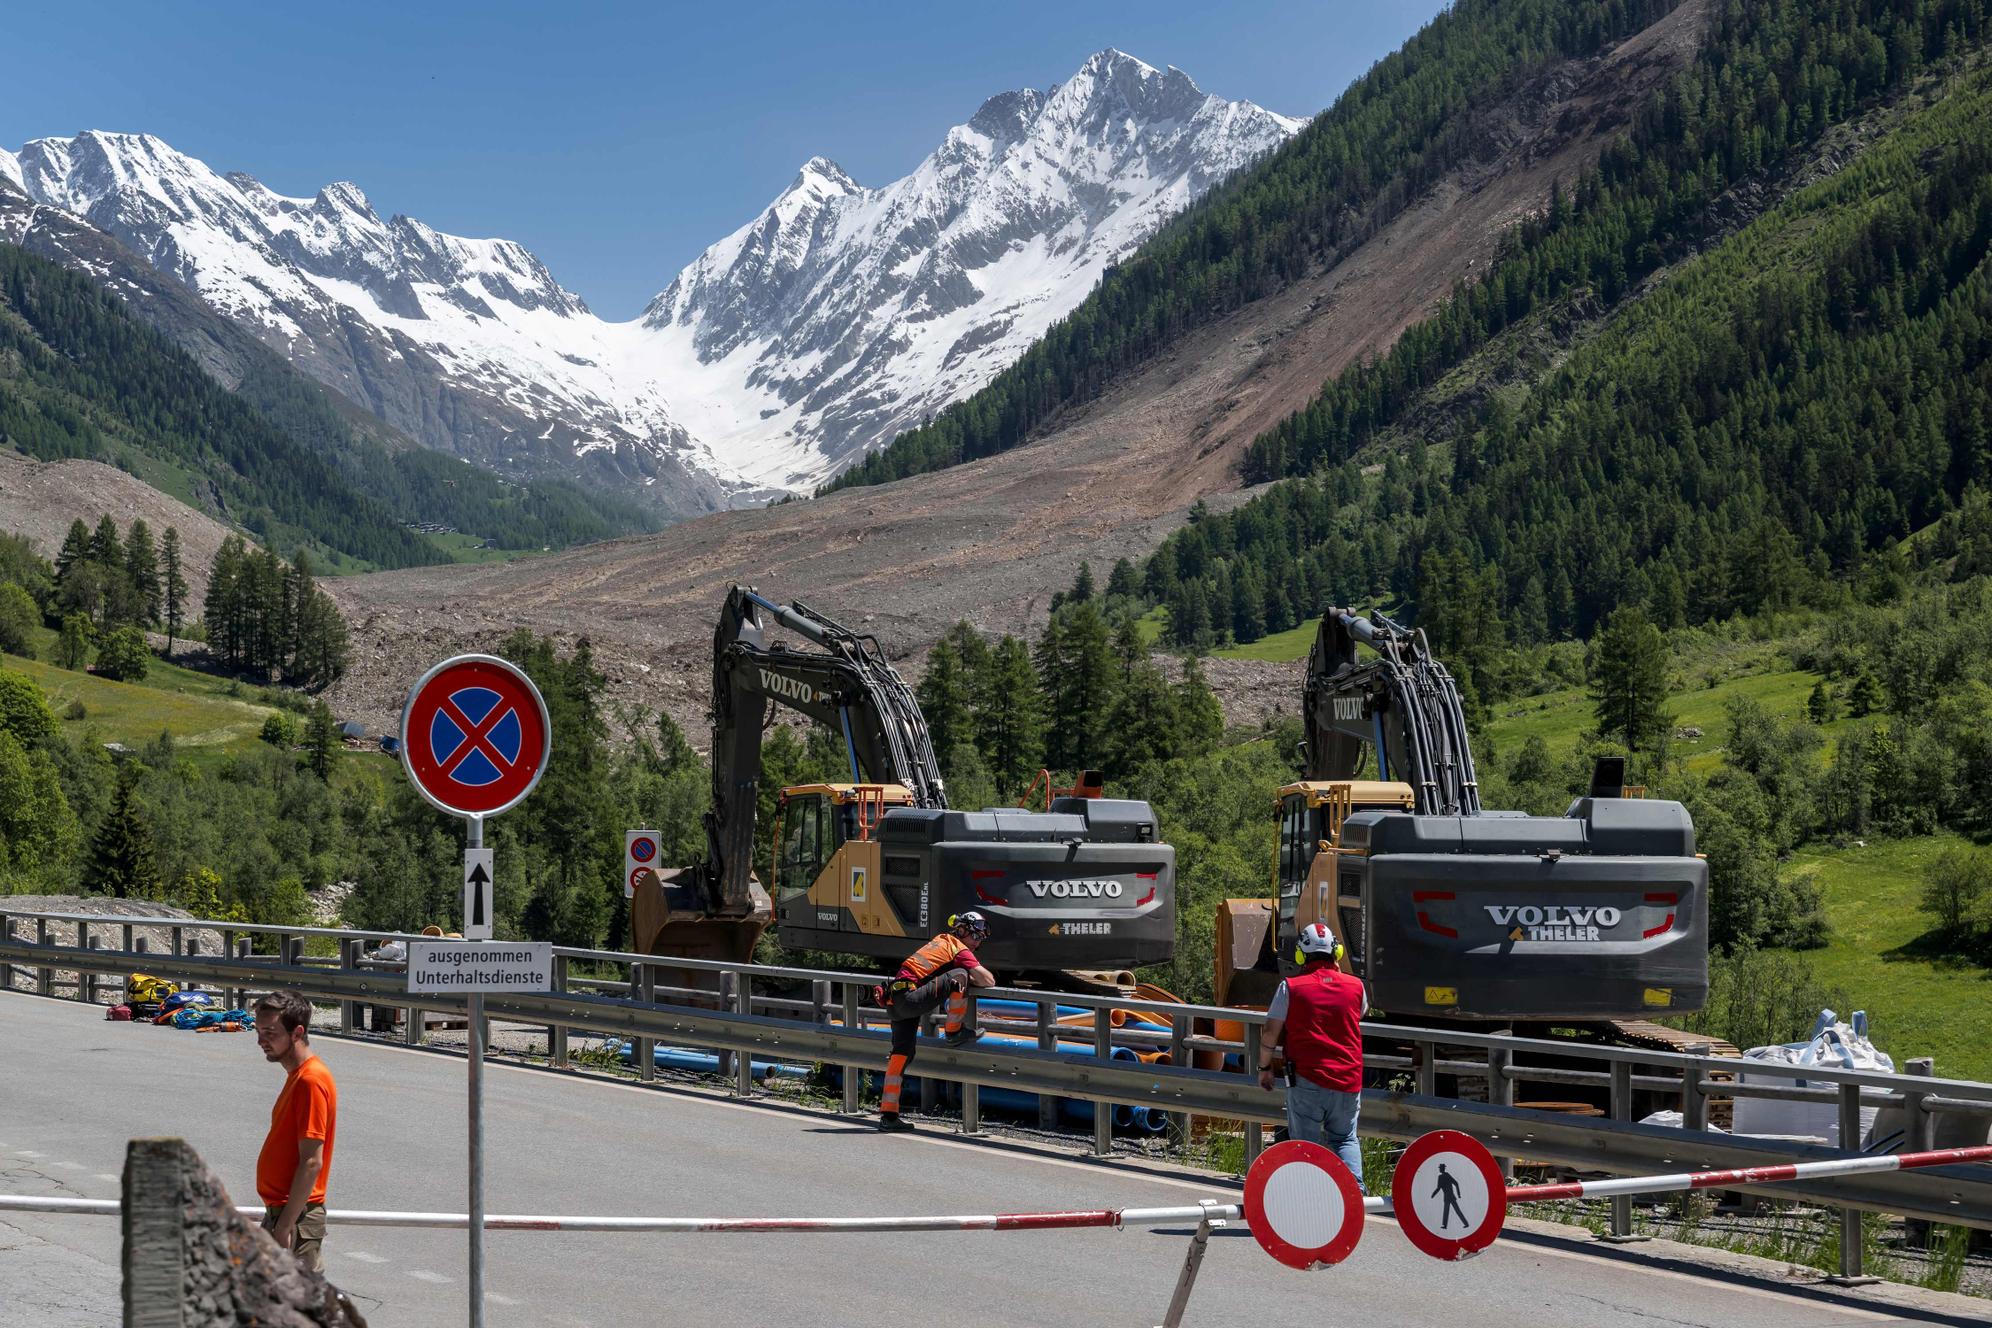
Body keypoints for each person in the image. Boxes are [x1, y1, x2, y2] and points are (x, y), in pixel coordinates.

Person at [1257, 921, 1366, 1187]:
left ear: (1300, 955)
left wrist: (1264, 1068)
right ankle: (1355, 1194)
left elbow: (1270, 1033)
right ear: (1336, 953)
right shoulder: (1356, 987)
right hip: (1348, 1080)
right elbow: (1358, 1015)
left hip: (1307, 1079)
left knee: (1304, 1145)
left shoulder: (1291, 988)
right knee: (1345, 1139)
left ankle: (1308, 1197)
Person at [875, 911, 995, 1132]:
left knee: (901, 1055)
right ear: (964, 931)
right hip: (911, 998)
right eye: (976, 937)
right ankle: (953, 1031)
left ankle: (889, 1116)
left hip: (897, 1000)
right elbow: (988, 980)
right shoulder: (957, 947)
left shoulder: (939, 941)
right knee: (960, 974)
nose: (978, 943)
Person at [254, 989, 338, 1271]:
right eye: (258, 1031)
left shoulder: (310, 1081)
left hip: (295, 1218)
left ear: (297, 1032)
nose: (260, 1040)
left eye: (269, 1032)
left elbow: (312, 1162)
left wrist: (285, 1225)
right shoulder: (298, 1076)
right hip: (286, 1215)